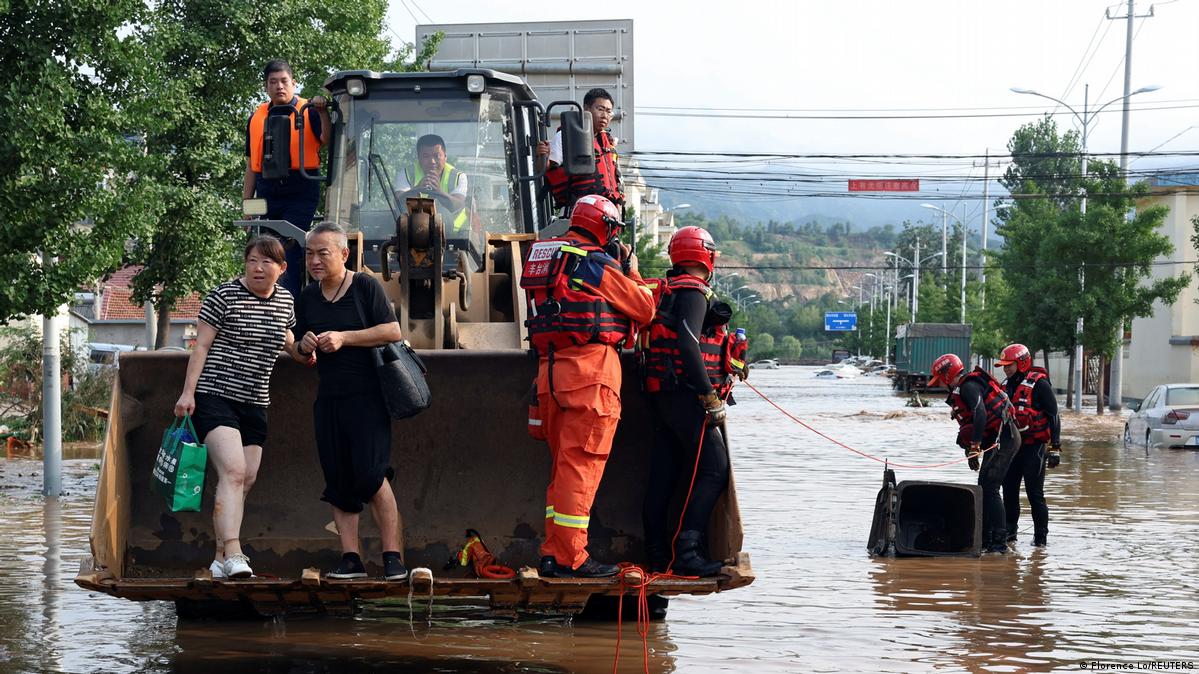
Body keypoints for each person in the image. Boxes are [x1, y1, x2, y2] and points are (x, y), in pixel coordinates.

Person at [520, 194, 655, 577]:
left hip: (550, 376)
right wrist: (630, 266)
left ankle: (553, 552)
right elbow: (644, 308)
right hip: (590, 376)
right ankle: (570, 558)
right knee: (580, 469)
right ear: (605, 229)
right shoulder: (594, 263)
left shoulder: (548, 258)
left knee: (563, 472)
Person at [173, 236, 299, 579]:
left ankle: (218, 558)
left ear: (282, 269)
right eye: (253, 260)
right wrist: (188, 393)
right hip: (216, 396)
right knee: (233, 471)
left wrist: (306, 351)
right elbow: (200, 347)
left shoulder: (285, 300)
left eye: (267, 262)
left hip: (256, 402)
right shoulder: (223, 296)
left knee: (245, 479)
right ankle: (235, 552)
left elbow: (286, 338)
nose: (258, 268)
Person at [291, 222, 408, 581]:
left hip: (367, 397)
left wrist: (344, 337)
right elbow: (297, 351)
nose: (314, 260)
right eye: (310, 253)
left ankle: (393, 558)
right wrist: (303, 347)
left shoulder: (364, 287)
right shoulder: (307, 297)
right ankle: (351, 560)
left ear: (344, 254)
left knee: (372, 476)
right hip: (329, 399)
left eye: (322, 253)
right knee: (338, 480)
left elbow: (393, 331)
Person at [640, 226, 748, 577]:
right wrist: (709, 396)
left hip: (663, 395)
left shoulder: (669, 290)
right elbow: (688, 347)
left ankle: (656, 554)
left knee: (665, 473)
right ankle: (686, 552)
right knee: (715, 469)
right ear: (709, 257)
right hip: (685, 396)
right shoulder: (693, 292)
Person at [243, 59, 330, 296]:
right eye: (273, 82)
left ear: (293, 82)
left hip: (300, 189)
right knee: (261, 248)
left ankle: (286, 305)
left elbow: (325, 139)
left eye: (284, 81)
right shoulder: (256, 117)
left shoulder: (308, 110)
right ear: (266, 86)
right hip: (267, 191)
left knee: (285, 247)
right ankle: (262, 300)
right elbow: (252, 164)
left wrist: (322, 112)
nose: (279, 86)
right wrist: (247, 205)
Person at [929, 353, 1021, 554]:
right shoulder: (963, 388)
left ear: (946, 375)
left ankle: (999, 543)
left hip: (1005, 437)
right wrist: (972, 451)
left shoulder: (968, 386)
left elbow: (980, 413)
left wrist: (975, 445)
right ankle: (986, 540)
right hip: (998, 438)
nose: (941, 385)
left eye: (940, 380)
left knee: (990, 488)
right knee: (983, 486)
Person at [995, 343, 1061, 547]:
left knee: (1035, 494)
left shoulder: (1040, 385)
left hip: (1034, 448)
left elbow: (1054, 416)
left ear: (1022, 363)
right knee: (1009, 491)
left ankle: (1040, 540)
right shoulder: (1006, 386)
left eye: (1010, 365)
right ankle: (1010, 535)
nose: (1006, 369)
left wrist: (1055, 448)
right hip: (1012, 449)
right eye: (1004, 366)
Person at [536, 88, 624, 212]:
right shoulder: (566, 136)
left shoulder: (608, 144)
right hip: (577, 212)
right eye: (600, 109)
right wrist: (542, 154)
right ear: (586, 109)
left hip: (606, 214)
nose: (605, 116)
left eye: (609, 112)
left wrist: (617, 207)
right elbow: (543, 168)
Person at [393, 134, 469, 233]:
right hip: (413, 235)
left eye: (436, 156)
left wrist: (439, 192)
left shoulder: (458, 176)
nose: (432, 161)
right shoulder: (406, 174)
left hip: (456, 235)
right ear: (418, 157)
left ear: (445, 156)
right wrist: (417, 189)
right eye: (426, 156)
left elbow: (458, 205)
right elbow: (397, 202)